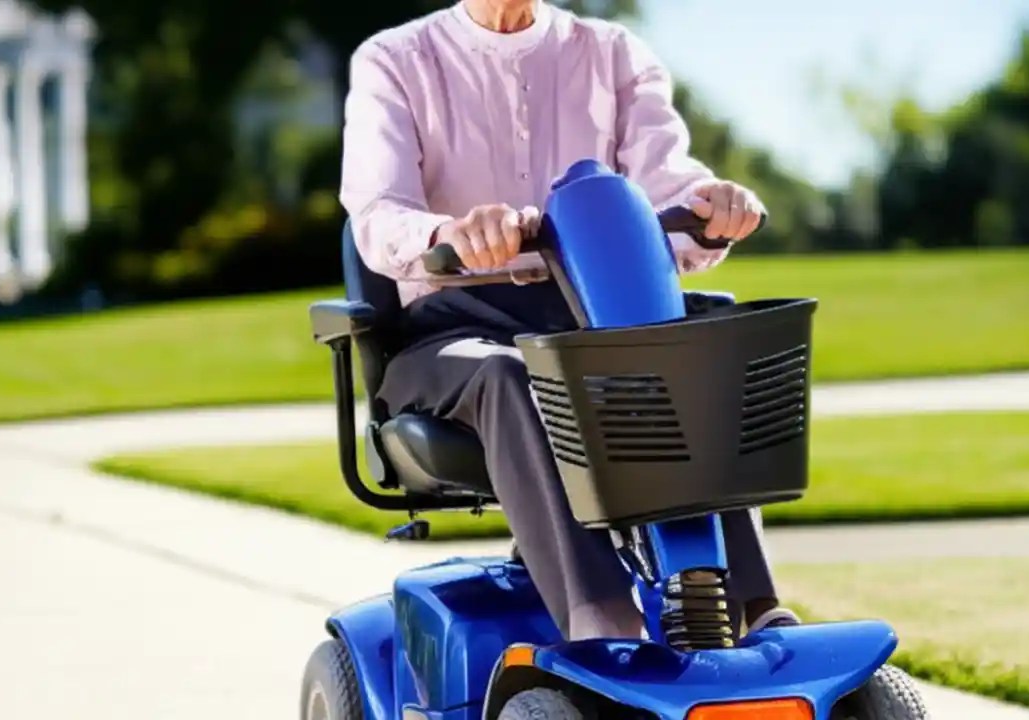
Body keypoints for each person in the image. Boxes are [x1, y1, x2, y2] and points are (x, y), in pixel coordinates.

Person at [340, 0, 800, 641]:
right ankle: (602, 624)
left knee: (700, 339)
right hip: (450, 332)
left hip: (593, 320)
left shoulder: (612, 53)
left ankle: (750, 612)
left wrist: (710, 206)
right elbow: (378, 214)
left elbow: (668, 186)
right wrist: (450, 234)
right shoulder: (395, 59)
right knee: (510, 374)